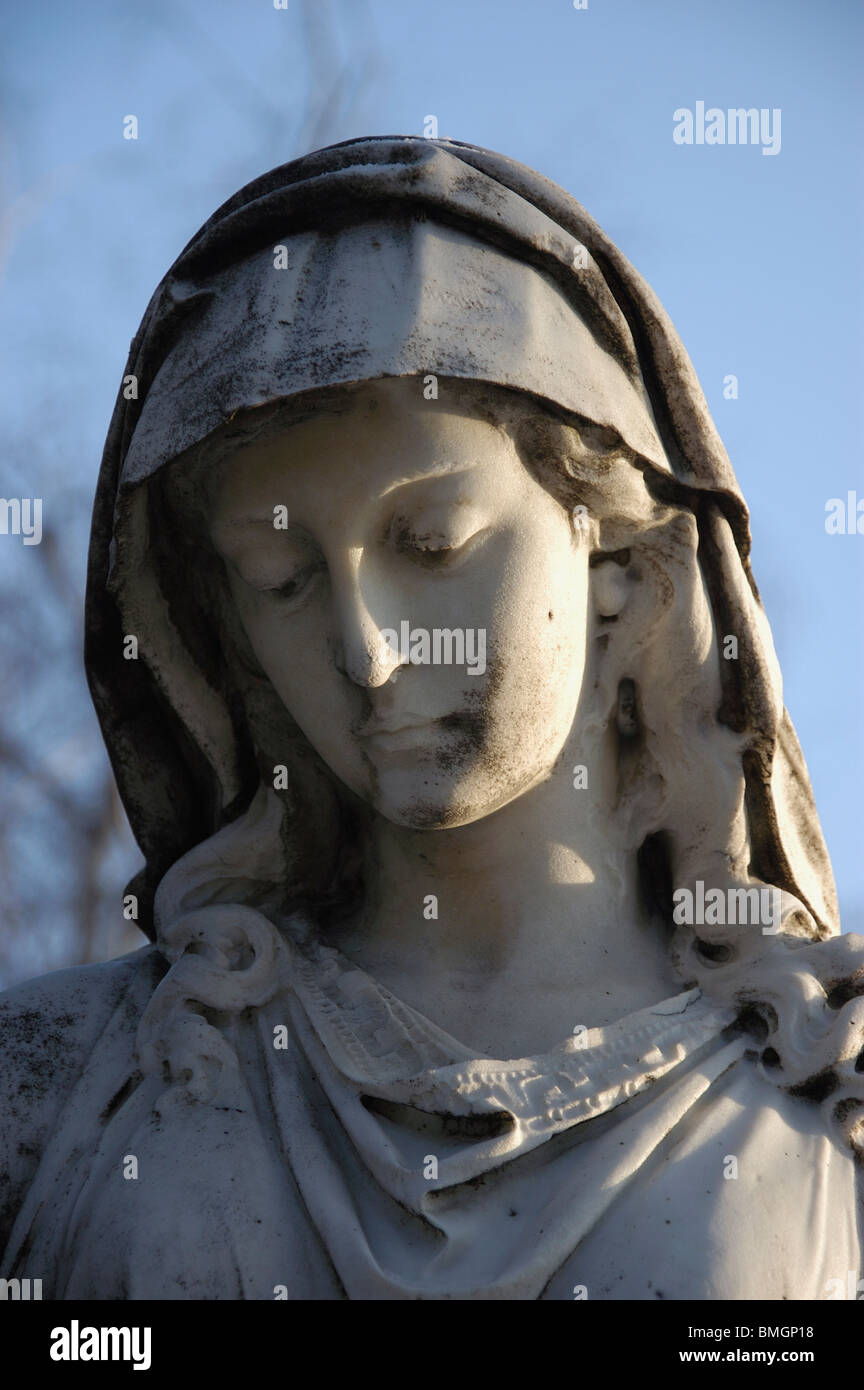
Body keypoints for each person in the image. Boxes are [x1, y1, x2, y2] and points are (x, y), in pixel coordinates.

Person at [2, 136, 862, 1300]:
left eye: (432, 544)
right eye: (280, 575)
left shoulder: (830, 1091)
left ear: (614, 562)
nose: (365, 648)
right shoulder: (59, 1089)